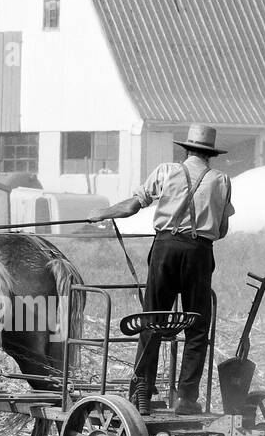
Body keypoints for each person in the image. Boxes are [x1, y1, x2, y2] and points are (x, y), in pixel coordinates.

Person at [88, 124, 234, 416]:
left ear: (186, 150)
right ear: (210, 155)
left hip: (165, 249)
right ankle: (186, 398)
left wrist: (102, 213)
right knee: (196, 326)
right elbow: (222, 229)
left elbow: (133, 206)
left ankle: (142, 388)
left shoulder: (167, 171)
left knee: (152, 319)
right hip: (199, 254)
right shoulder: (221, 180)